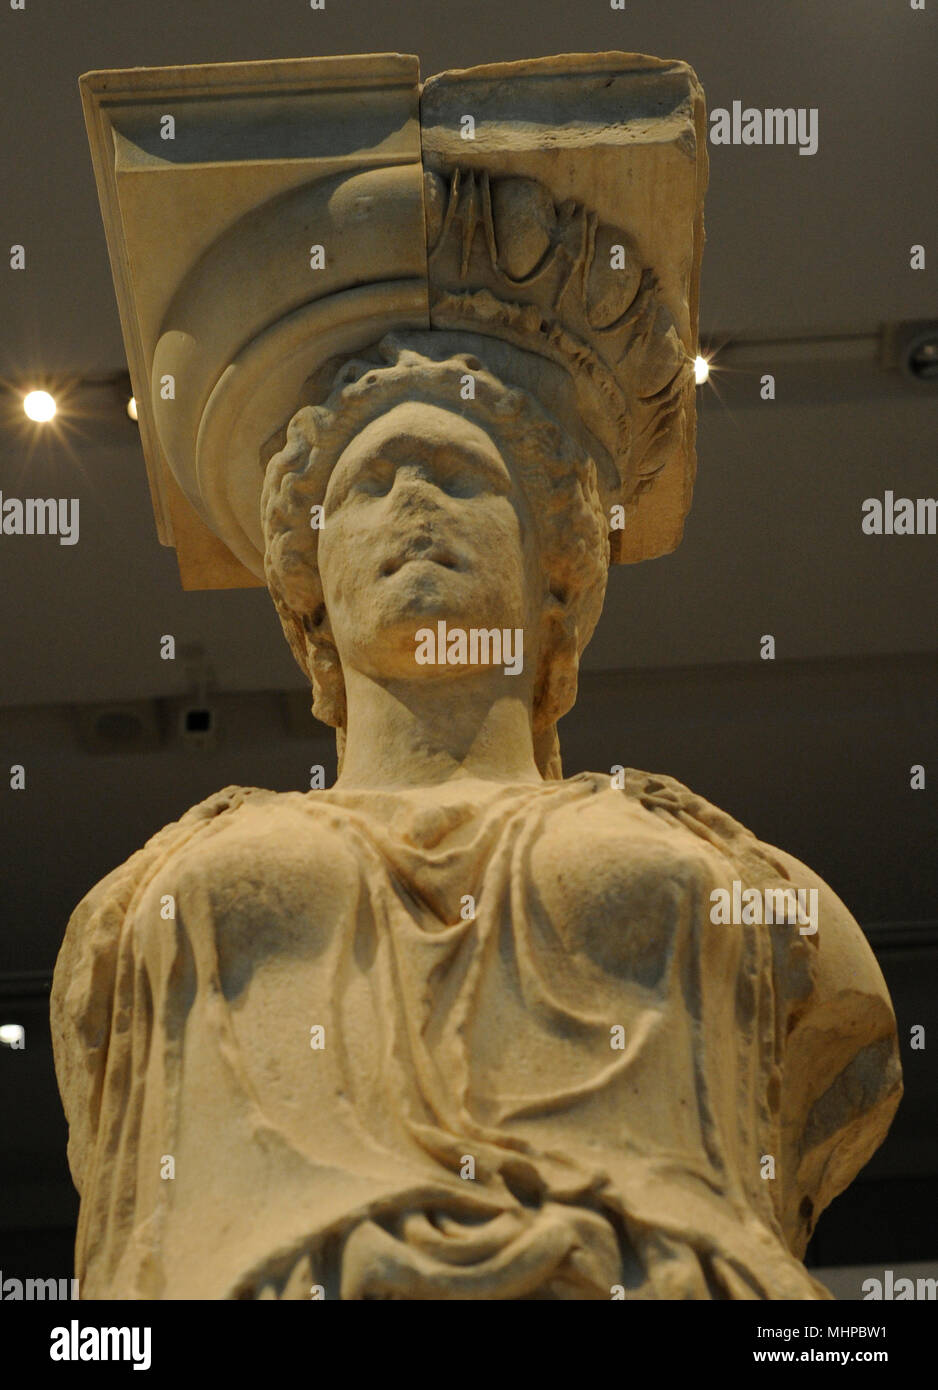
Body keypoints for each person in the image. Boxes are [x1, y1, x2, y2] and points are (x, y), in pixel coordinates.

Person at [51, 335, 902, 1299]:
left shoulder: (732, 870)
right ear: (308, 601)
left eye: (462, 478)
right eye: (369, 487)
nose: (414, 504)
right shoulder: (161, 882)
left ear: (558, 575)